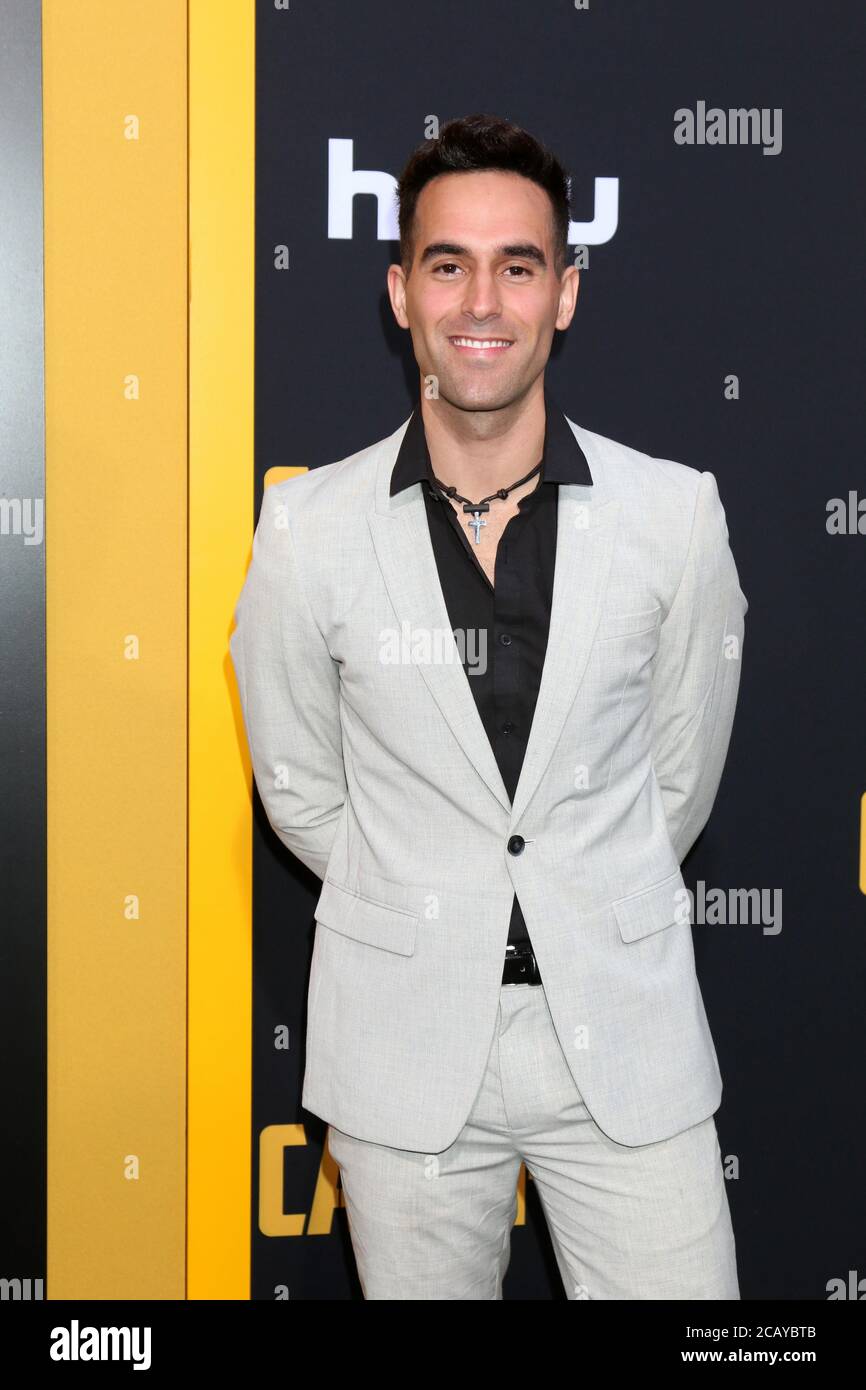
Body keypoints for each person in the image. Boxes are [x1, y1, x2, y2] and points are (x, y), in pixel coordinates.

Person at [229, 112, 747, 1300]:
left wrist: (581, 893)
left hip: (622, 1047)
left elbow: (678, 773)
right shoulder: (308, 533)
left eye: (517, 265)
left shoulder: (673, 516)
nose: (481, 300)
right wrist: (431, 899)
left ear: (562, 293)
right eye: (447, 264)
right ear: (399, 292)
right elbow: (301, 786)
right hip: (404, 1051)